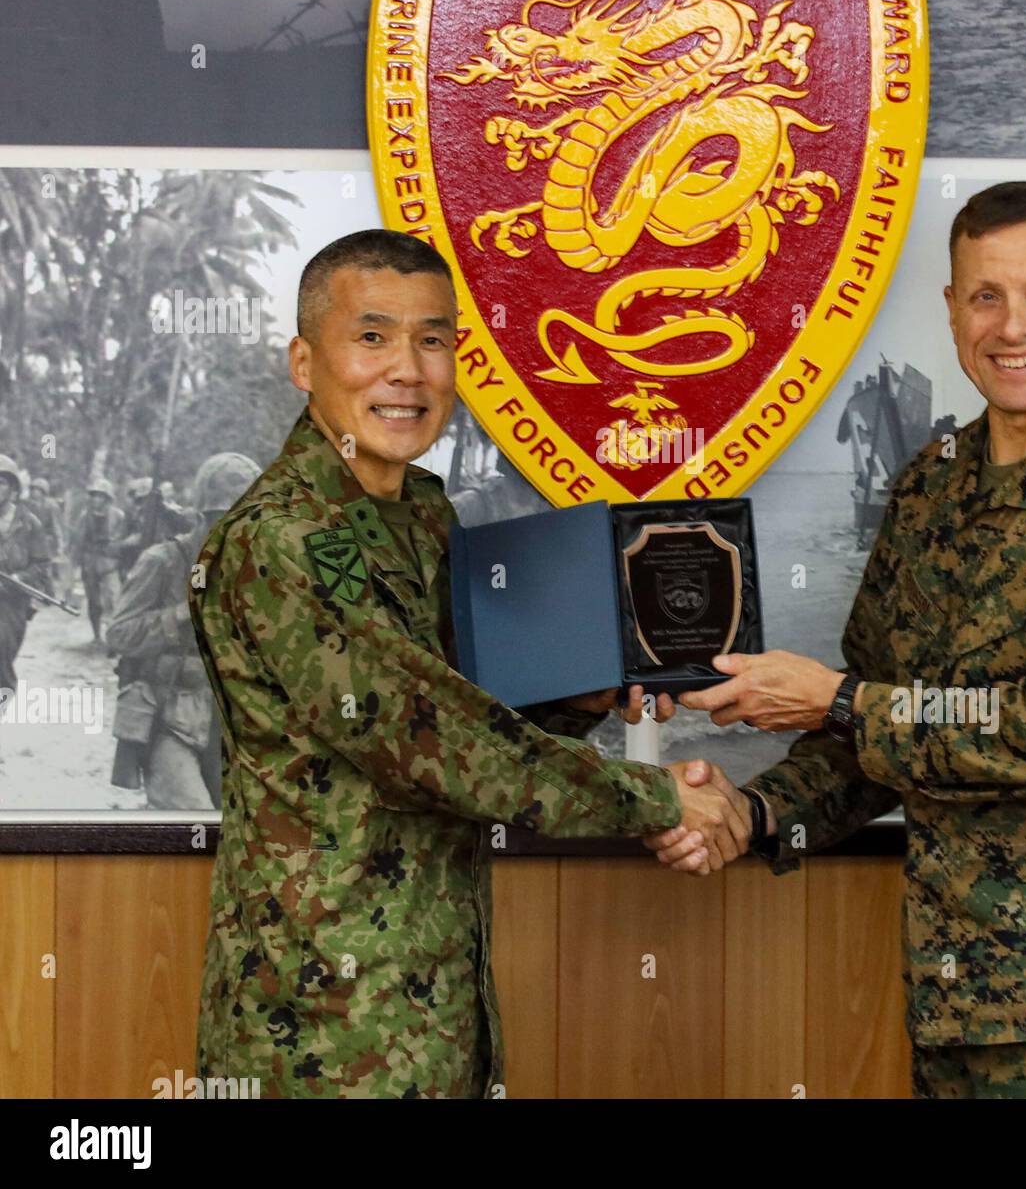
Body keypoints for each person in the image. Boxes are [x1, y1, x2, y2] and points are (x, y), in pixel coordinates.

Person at [650, 182, 1026, 1099]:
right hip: (957, 1007)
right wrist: (756, 814)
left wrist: (842, 699)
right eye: (985, 296)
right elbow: (869, 737)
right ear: (954, 310)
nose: (1014, 326)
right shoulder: (934, 483)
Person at [189, 229, 747, 1098]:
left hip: (434, 998)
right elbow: (429, 737)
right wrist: (655, 797)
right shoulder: (282, 539)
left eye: (434, 340)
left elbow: (477, 703)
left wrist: (588, 689)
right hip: (322, 1025)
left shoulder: (420, 514)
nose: (407, 370)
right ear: (305, 363)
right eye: (371, 337)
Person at [107, 452, 261, 807]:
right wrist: (182, 614)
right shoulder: (162, 561)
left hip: (232, 717)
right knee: (192, 819)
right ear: (201, 516)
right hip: (169, 714)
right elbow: (120, 634)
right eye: (223, 518)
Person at [0, 457, 53, 693]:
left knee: (2, 655)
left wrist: (20, 579)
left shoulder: (30, 524)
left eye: (1, 482)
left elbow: (41, 566)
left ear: (12, 488)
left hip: (12, 604)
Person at [70, 479, 124, 648]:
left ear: (108, 499)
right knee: (94, 602)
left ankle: (115, 637)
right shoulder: (85, 517)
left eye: (100, 496)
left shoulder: (118, 516)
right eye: (94, 496)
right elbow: (78, 542)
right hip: (90, 564)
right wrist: (76, 567)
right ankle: (96, 636)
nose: (96, 500)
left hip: (110, 564)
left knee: (114, 599)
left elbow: (122, 540)